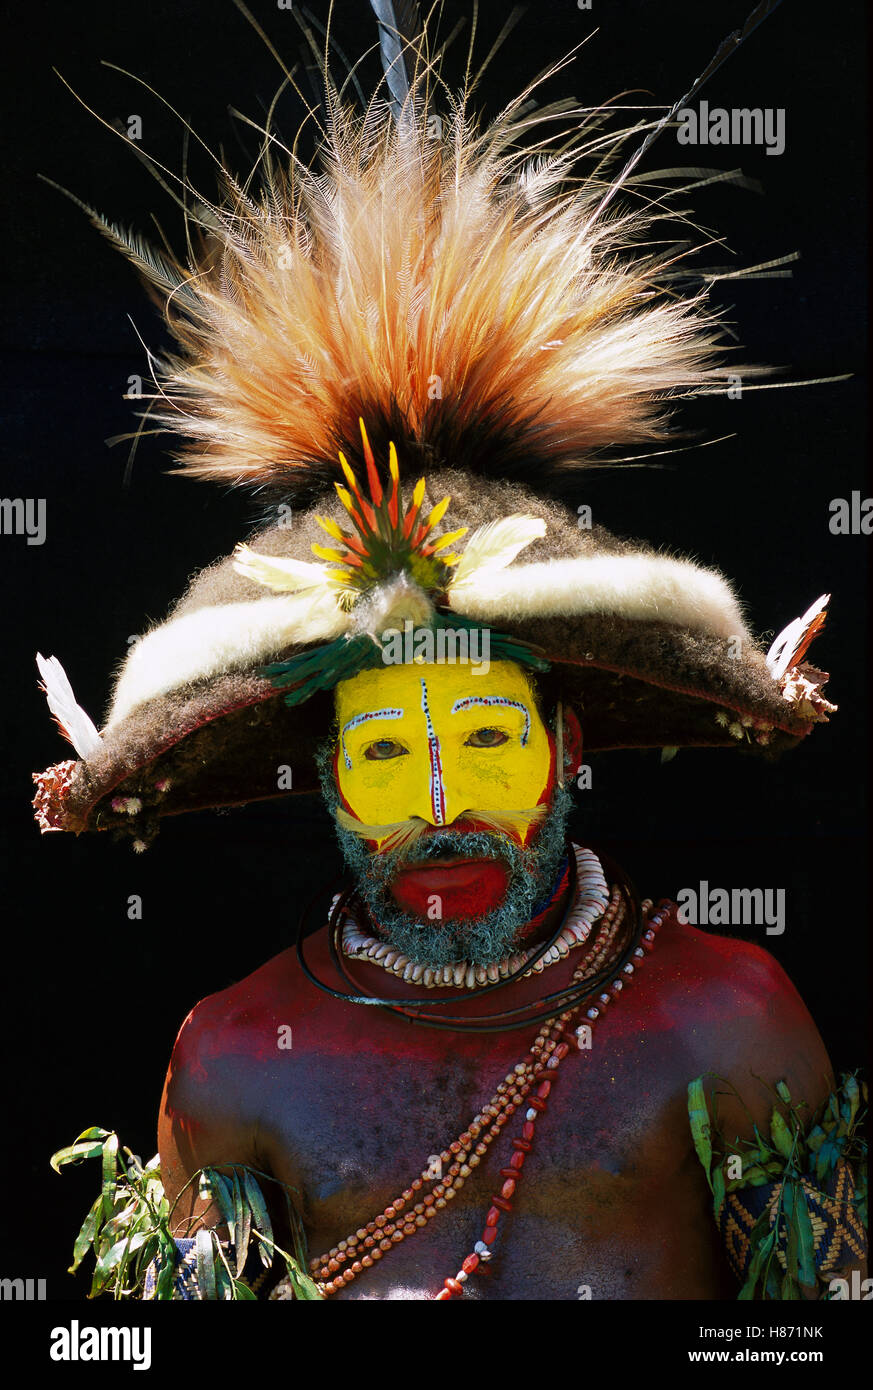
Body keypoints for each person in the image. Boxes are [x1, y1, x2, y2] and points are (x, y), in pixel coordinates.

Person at [33, 3, 864, 1300]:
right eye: (384, 755)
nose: (439, 806)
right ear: (322, 777)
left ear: (563, 747)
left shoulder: (721, 1018)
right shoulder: (238, 1054)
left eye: (485, 740)